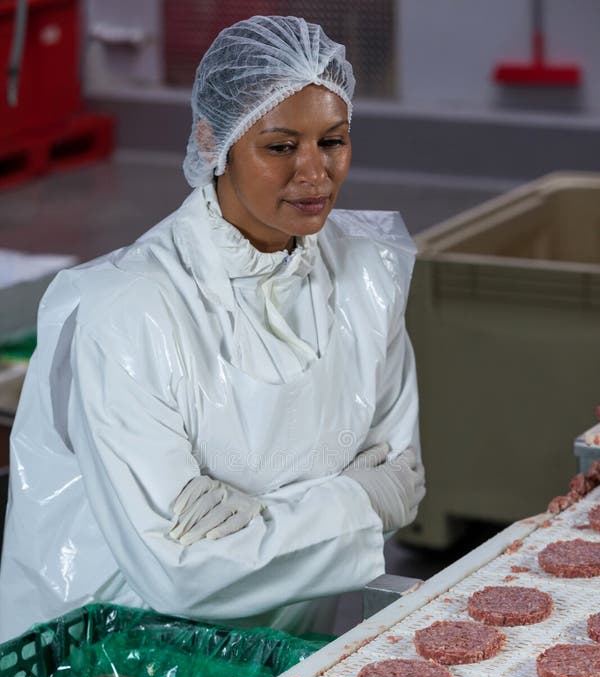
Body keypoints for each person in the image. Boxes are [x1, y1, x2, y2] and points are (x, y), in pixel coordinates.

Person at [0, 15, 425, 643]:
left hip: (281, 656)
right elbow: (179, 575)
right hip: (108, 669)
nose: (314, 173)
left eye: (332, 141)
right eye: (280, 146)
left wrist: (258, 516)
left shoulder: (368, 276)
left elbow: (402, 486)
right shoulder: (130, 309)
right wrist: (349, 500)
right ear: (212, 140)